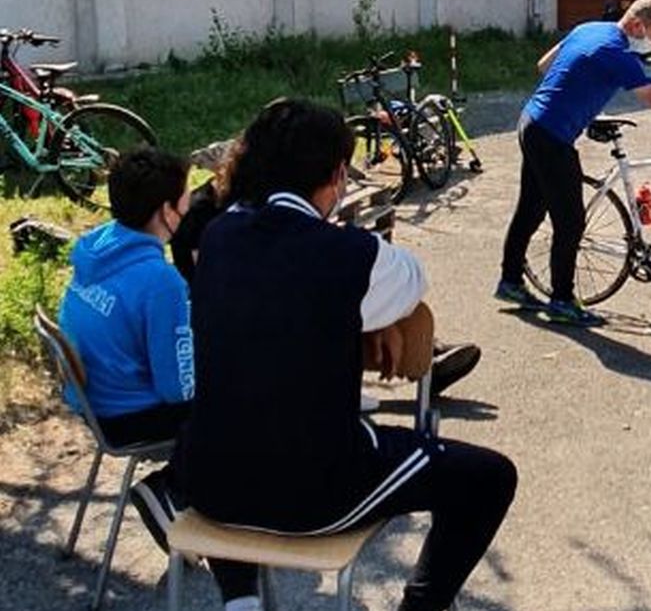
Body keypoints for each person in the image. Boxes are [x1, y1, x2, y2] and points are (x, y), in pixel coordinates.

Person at [174, 100, 517, 611]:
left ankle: (241, 598)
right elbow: (411, 279)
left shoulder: (218, 237)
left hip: (206, 482)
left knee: (240, 420)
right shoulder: (350, 255)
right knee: (489, 477)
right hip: (316, 494)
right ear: (337, 175)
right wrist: (369, 318)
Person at [169, 137, 482, 397]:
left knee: (360, 296)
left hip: (270, 327)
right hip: (254, 344)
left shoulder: (249, 212)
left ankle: (426, 354)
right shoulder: (217, 223)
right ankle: (422, 358)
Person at [496, 0, 651, 326]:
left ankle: (510, 282)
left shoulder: (589, 29)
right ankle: (562, 301)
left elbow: (545, 65)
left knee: (531, 208)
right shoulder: (619, 55)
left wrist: (578, 94)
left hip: (532, 122)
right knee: (570, 223)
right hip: (552, 137)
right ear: (637, 25)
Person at [57, 148, 193, 551]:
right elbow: (178, 390)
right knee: (249, 399)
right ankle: (172, 490)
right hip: (129, 418)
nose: (189, 205)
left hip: (93, 402)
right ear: (166, 210)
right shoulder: (161, 281)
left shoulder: (97, 247)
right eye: (184, 199)